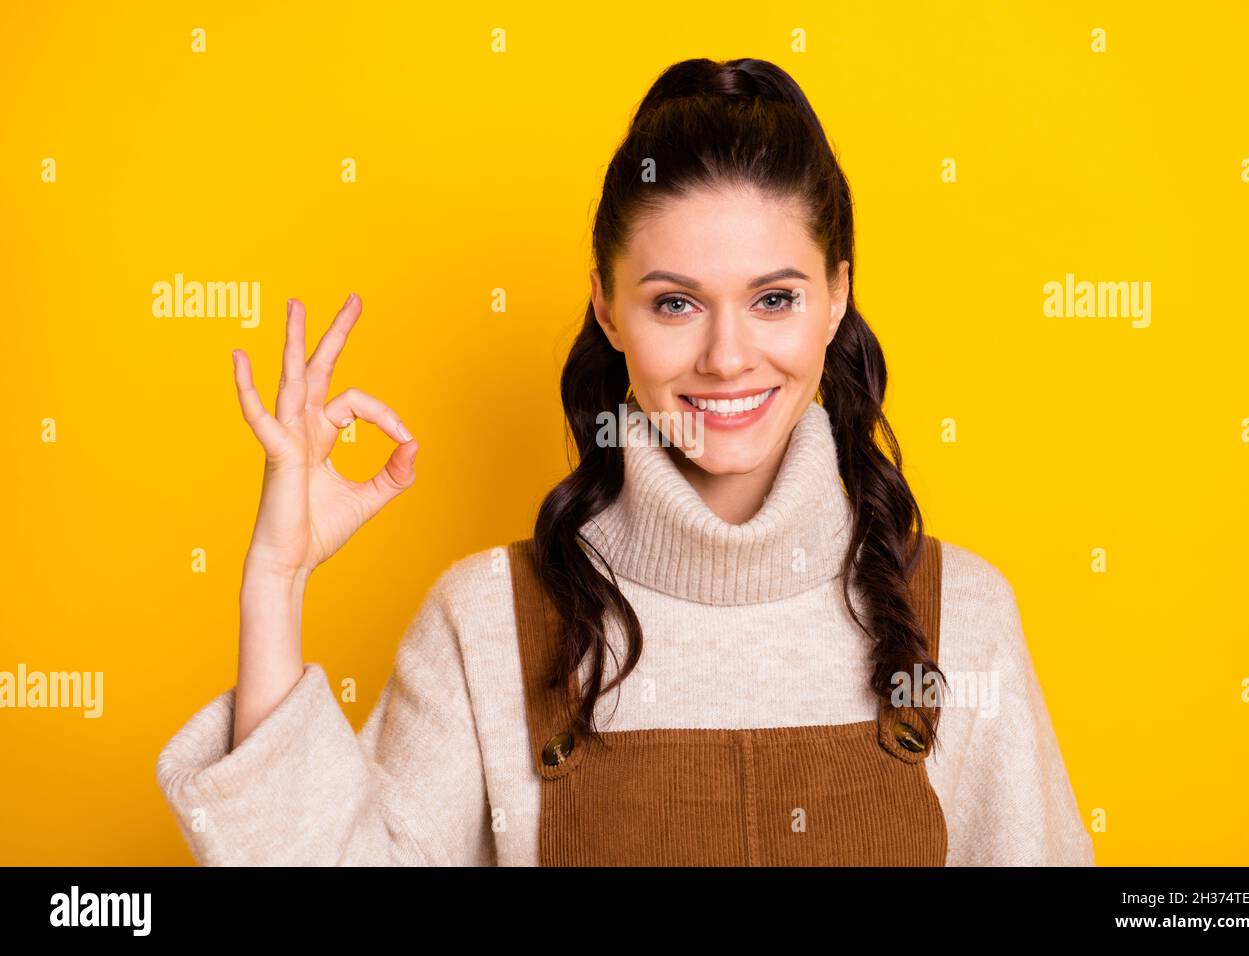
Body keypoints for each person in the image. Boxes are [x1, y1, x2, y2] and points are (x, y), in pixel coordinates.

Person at [156, 57, 1095, 866]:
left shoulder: (959, 618)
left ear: (837, 294)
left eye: (774, 298)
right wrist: (275, 584)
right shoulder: (488, 626)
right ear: (607, 308)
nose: (728, 356)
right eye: (675, 303)